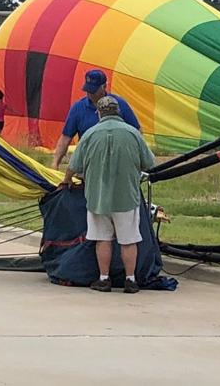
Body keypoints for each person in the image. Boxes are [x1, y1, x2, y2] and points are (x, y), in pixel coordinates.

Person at [60, 96, 155, 294]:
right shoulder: (133, 134)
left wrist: (66, 181)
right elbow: (149, 163)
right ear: (118, 111)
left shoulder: (90, 134)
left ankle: (104, 279)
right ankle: (131, 280)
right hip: (126, 197)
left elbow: (74, 166)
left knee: (102, 238)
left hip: (97, 198)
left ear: (99, 113)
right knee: (128, 240)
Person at [51, 69, 140, 170]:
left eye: (93, 90)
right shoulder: (78, 108)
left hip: (117, 162)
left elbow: (136, 132)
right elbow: (65, 138)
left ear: (104, 86)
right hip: (89, 164)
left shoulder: (120, 103)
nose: (90, 94)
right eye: (88, 90)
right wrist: (55, 163)